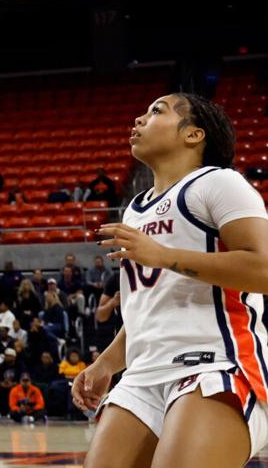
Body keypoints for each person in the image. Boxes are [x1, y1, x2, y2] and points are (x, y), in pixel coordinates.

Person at [74, 94, 268, 467]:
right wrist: (106, 363)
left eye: (156, 111)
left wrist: (163, 256)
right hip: (144, 372)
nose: (139, 117)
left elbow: (262, 269)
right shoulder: (136, 209)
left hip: (215, 363)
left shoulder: (219, 183)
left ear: (194, 135)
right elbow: (151, 306)